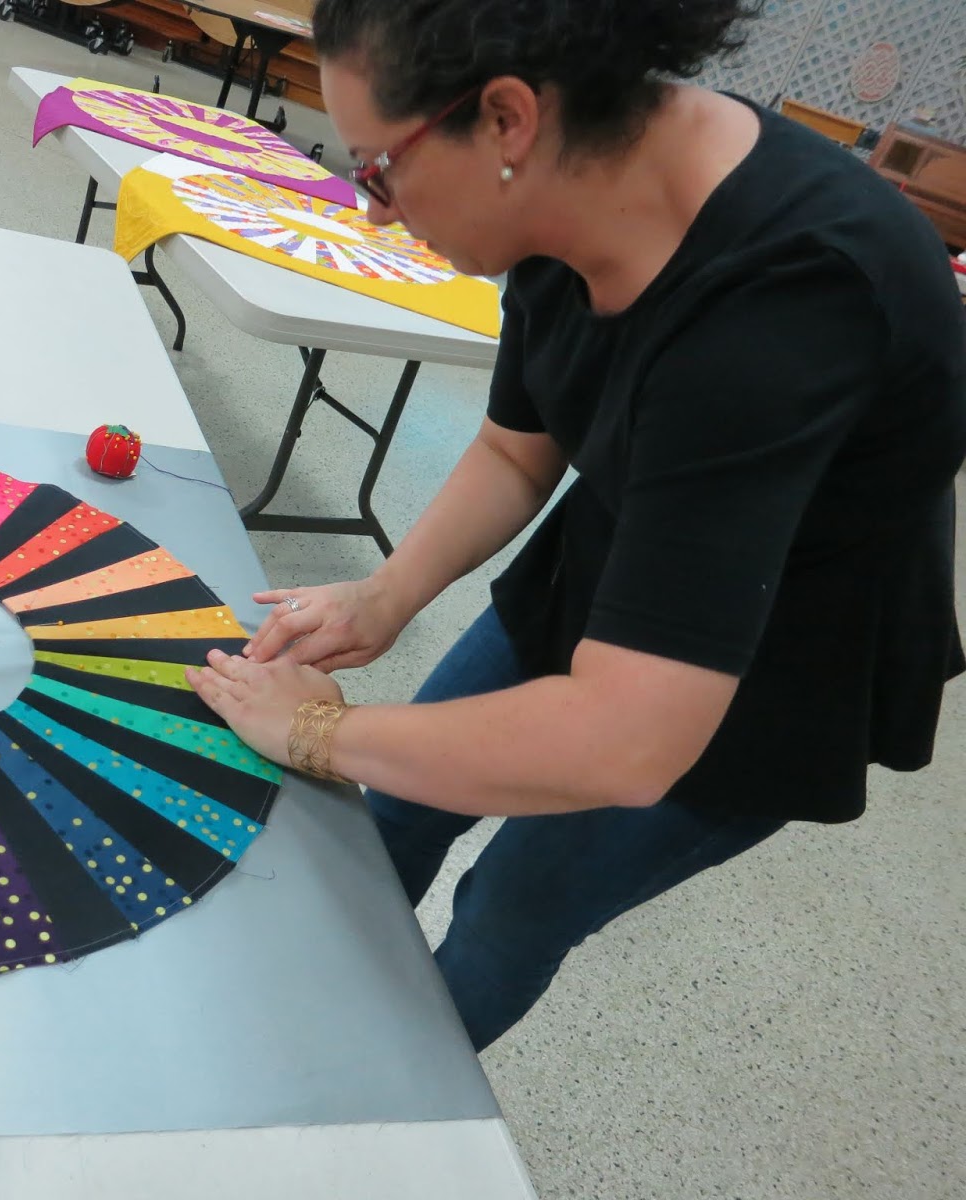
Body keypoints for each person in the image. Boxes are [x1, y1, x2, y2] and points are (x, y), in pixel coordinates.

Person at [185, 0, 966, 1052]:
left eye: (378, 170)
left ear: (505, 119)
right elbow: (518, 447)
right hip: (612, 557)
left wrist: (314, 729)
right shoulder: (577, 171)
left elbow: (625, 740)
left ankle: (365, 1098)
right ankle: (294, 1022)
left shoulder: (788, 304)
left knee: (514, 906)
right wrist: (386, 592)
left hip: (770, 668)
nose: (372, 211)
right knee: (399, 808)